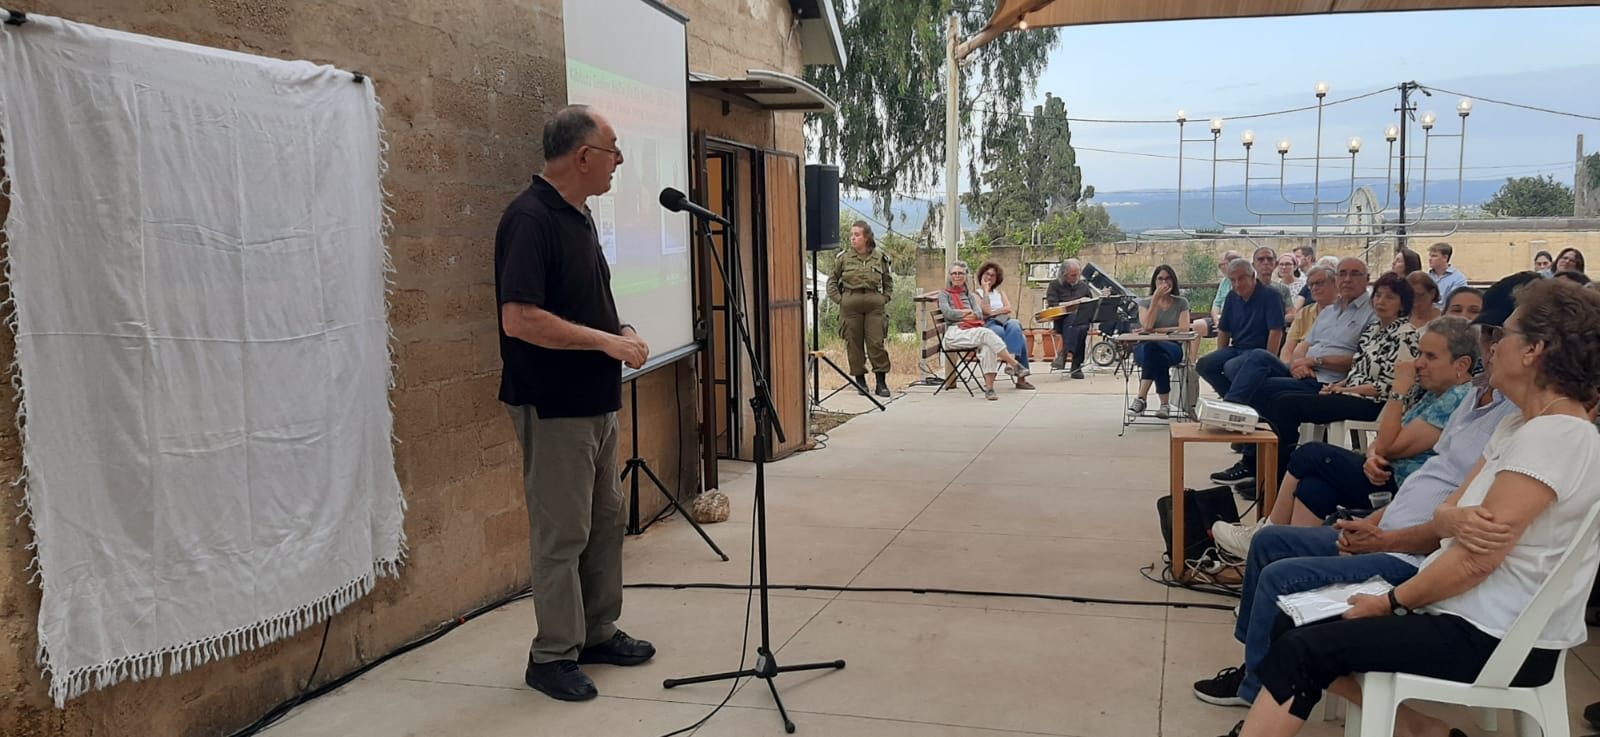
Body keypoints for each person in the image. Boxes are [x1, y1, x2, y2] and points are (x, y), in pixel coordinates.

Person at [1222, 277, 1600, 737]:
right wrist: (1448, 521)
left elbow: (1474, 561)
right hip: (1464, 611)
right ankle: (1422, 728)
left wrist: (1390, 602)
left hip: (1491, 634)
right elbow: (1447, 516)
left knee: (1306, 647)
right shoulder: (1522, 425)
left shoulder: (1556, 435)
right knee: (1289, 621)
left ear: (1534, 350)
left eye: (1503, 335)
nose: (1492, 346)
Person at [495, 105, 656, 702]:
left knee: (604, 523)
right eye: (614, 150)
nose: (620, 161)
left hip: (596, 401)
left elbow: (584, 304)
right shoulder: (529, 218)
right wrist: (608, 342)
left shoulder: (580, 218)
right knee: (562, 535)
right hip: (554, 404)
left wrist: (623, 330)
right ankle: (552, 656)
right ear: (583, 155)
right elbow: (521, 319)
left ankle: (596, 632)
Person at [1211, 316, 1477, 557]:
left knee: (1310, 454)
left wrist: (1398, 390)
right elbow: (1382, 445)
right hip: (1382, 473)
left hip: (1401, 489)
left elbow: (1391, 444)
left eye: (1430, 357)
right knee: (1314, 487)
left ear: (1462, 364)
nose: (1418, 363)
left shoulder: (1457, 398)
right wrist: (1373, 455)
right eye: (1420, 354)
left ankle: (1265, 534)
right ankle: (1282, 556)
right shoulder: (1434, 392)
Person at [1220, 272, 1419, 486]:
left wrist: (1344, 391)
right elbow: (1357, 370)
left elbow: (1390, 386)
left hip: (1372, 403)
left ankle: (1276, 479)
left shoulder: (1406, 335)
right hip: (1347, 392)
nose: (1380, 301)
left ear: (1403, 304)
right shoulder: (1374, 330)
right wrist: (1339, 386)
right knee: (1275, 396)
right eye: (1378, 295)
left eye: (1389, 297)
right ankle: (1264, 471)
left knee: (1285, 403)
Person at [1208, 258, 1373, 487]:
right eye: (1342, 273)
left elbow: (1362, 360)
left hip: (1329, 380)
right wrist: (1298, 364)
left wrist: (1313, 360)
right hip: (1303, 372)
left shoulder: (1373, 312)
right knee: (1247, 372)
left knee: (1259, 371)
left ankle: (1245, 440)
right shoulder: (1328, 313)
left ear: (1367, 278)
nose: (1347, 279)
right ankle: (1256, 463)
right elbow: (1299, 346)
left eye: (1355, 273)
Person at [1195, 258, 1286, 400]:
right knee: (1204, 365)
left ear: (1252, 276)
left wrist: (1269, 360)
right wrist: (1221, 354)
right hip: (1237, 348)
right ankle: (1234, 400)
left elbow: (1276, 332)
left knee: (1231, 367)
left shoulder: (1271, 296)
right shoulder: (1232, 296)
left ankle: (1236, 402)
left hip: (1258, 352)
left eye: (1241, 279)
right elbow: (1224, 330)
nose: (1237, 284)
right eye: (1233, 280)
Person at [940, 260, 1030, 400]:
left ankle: (990, 389)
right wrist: (965, 312)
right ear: (950, 276)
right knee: (987, 333)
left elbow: (978, 314)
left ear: (965, 276)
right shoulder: (944, 294)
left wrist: (966, 313)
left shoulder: (969, 295)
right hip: (955, 332)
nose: (957, 276)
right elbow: (948, 313)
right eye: (954, 273)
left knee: (991, 343)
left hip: (973, 330)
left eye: (961, 273)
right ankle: (1014, 364)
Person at [828, 220, 894, 398]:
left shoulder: (879, 258)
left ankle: (881, 382)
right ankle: (861, 382)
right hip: (851, 303)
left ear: (867, 237)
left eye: (857, 235)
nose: (853, 238)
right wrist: (840, 300)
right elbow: (832, 281)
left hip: (874, 304)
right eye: (851, 235)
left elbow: (888, 281)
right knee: (854, 344)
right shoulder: (843, 258)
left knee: (876, 343)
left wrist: (884, 298)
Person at [1127, 264, 1191, 418]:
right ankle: (1164, 404)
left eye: (1167, 279)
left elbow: (1183, 329)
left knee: (1154, 350)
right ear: (1154, 282)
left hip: (1172, 347)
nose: (1164, 282)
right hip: (1147, 348)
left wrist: (1156, 331)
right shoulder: (1145, 302)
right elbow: (1147, 325)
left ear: (1173, 281)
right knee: (1154, 353)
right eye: (1160, 279)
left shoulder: (1181, 302)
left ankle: (1141, 398)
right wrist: (1155, 299)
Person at [974, 261, 1035, 390]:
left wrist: (993, 312)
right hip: (989, 324)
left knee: (1015, 324)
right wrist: (985, 291)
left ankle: (1010, 362)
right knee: (1016, 337)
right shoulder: (976, 294)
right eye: (987, 274)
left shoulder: (1000, 293)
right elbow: (985, 311)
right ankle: (1020, 377)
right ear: (981, 275)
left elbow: (1008, 308)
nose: (989, 277)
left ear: (997, 279)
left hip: (1004, 321)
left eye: (993, 275)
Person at [1045, 258, 1096, 378]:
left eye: (1078, 274)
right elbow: (1053, 305)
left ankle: (1065, 352)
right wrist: (1076, 302)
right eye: (1073, 275)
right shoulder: (1055, 285)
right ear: (1064, 275)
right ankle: (1076, 365)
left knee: (1081, 326)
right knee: (1075, 320)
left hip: (1081, 321)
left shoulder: (1083, 286)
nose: (1076, 277)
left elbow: (1091, 302)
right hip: (1062, 321)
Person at [1278, 265, 1337, 364]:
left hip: (1320, 370)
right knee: (1260, 357)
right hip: (1295, 368)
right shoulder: (1305, 313)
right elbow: (1287, 349)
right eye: (1311, 285)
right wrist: (1288, 368)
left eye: (1319, 283)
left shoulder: (1344, 312)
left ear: (1335, 284)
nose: (1314, 288)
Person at [1192, 249, 1242, 338]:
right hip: (1220, 319)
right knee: (1197, 325)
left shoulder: (1244, 281)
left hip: (1237, 320)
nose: (1220, 268)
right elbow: (1216, 304)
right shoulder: (1224, 281)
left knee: (1228, 329)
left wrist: (1224, 323)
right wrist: (1217, 321)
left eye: (1221, 265)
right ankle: (1192, 352)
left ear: (1232, 263)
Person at [1425, 241, 1467, 308]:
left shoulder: (1458, 278)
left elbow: (1456, 302)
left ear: (1445, 257)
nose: (1430, 259)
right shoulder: (1427, 277)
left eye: (1434, 256)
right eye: (1430, 256)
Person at [1254, 247, 1294, 313]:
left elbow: (1291, 314)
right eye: (1261, 259)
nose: (1266, 262)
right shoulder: (1246, 289)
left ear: (1275, 264)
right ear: (1253, 265)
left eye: (1270, 259)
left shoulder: (1283, 289)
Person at [1272, 253, 1303, 324]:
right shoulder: (1275, 286)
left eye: (1288, 264)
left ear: (1295, 267)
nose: (1284, 267)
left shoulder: (1303, 285)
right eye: (1281, 264)